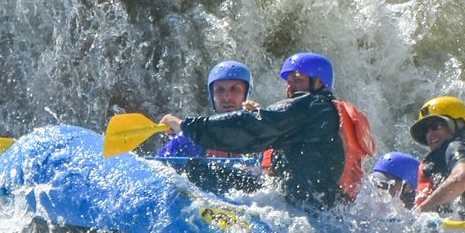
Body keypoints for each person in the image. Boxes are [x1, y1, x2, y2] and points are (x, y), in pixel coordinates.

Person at [158, 52, 375, 209]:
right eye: (289, 82)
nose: (290, 88)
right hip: (324, 205)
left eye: (297, 80)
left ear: (318, 81)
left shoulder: (312, 107)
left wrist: (186, 127)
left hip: (303, 204)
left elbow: (253, 129)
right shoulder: (329, 114)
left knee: (198, 170)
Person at [159, 60, 253, 157]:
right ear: (212, 96)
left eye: (235, 89)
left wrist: (181, 125)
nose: (226, 97)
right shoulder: (188, 140)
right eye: (220, 90)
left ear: (246, 94)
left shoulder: (263, 135)